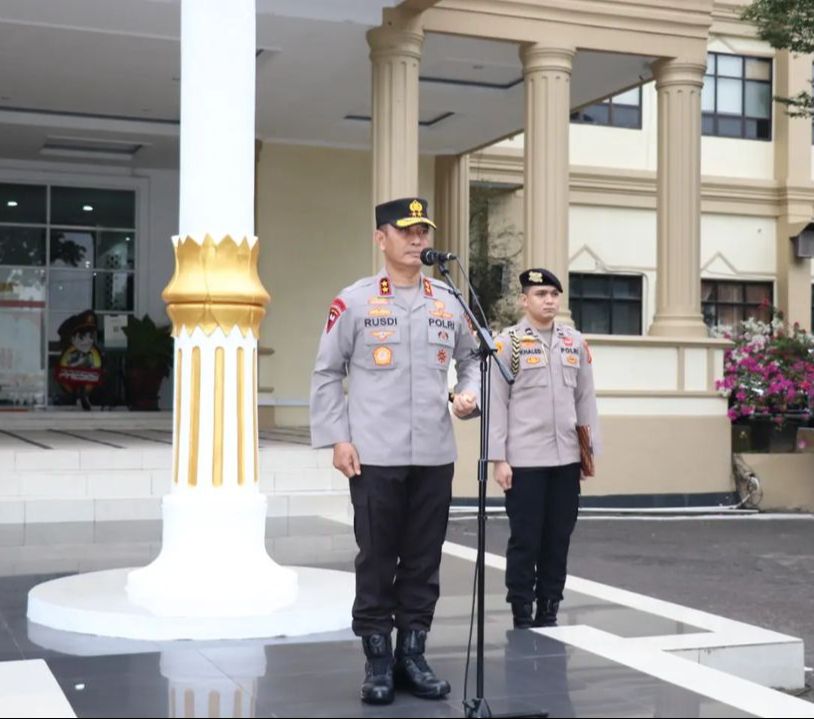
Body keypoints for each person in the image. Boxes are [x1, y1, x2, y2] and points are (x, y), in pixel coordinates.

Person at [310, 197, 480, 705]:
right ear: (380, 238)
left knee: (424, 561)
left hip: (433, 452)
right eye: (405, 231)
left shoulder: (449, 301)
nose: (417, 240)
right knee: (378, 559)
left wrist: (469, 395)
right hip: (375, 454)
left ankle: (413, 654)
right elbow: (326, 372)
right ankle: (378, 662)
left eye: (423, 231)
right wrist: (338, 437)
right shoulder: (356, 301)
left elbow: (473, 360)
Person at [488, 269, 599, 629]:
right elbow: (496, 404)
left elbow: (585, 400)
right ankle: (521, 605)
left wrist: (587, 452)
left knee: (558, 537)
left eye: (553, 293)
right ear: (524, 300)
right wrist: (498, 459)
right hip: (525, 461)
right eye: (540, 294)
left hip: (566, 458)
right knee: (526, 539)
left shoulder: (574, 342)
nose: (548, 300)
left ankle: (550, 603)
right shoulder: (508, 344)